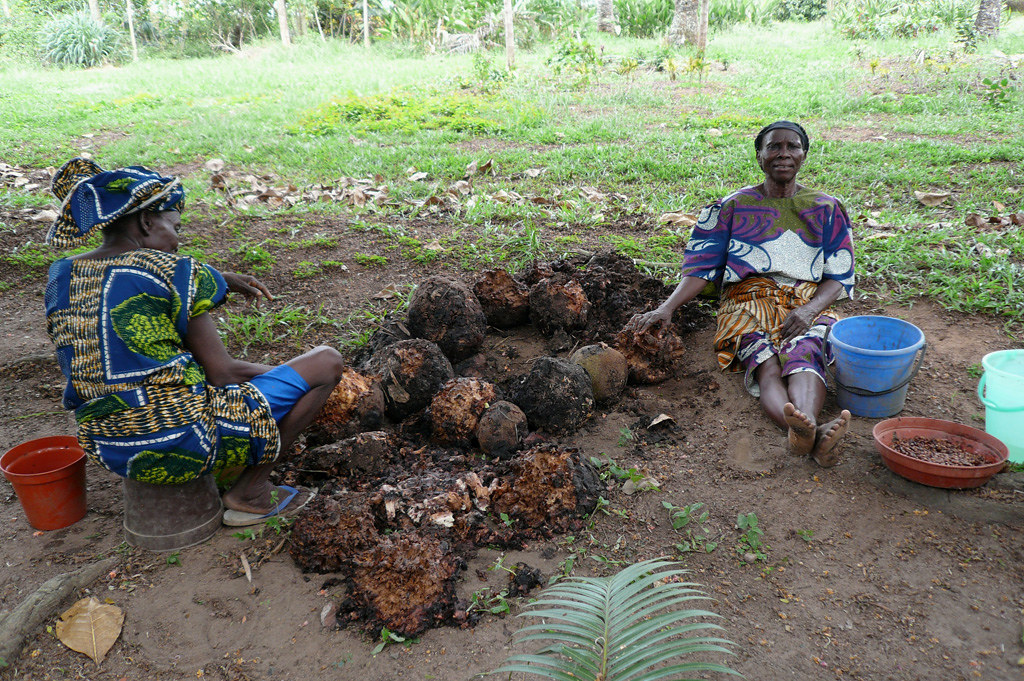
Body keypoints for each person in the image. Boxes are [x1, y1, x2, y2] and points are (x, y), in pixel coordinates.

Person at [44, 158, 344, 525]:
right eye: (176, 226)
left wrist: (219, 278)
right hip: (180, 439)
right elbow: (224, 374)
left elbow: (124, 285)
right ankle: (251, 491)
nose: (177, 240)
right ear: (146, 221)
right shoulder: (176, 271)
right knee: (326, 361)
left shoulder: (62, 275)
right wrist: (297, 377)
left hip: (108, 444)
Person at [627, 121, 855, 466]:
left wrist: (810, 310)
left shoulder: (826, 208)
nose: (783, 154)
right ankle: (811, 433)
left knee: (807, 353)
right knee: (765, 363)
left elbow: (839, 275)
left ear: (804, 155)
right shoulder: (732, 207)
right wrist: (667, 308)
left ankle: (805, 429)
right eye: (773, 146)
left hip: (805, 300)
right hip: (745, 301)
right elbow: (701, 268)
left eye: (792, 146)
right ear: (759, 156)